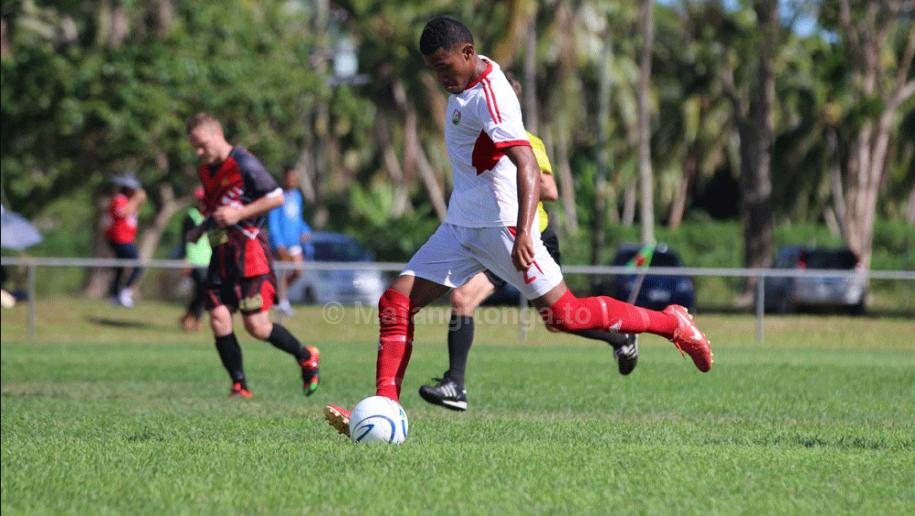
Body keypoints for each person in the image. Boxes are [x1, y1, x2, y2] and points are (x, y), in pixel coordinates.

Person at [324, 17, 712, 436]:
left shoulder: (491, 96)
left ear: (467, 53)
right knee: (395, 303)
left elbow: (527, 164)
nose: (440, 78)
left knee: (566, 315)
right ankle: (385, 409)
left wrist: (526, 231)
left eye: (444, 67)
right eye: (433, 69)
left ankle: (672, 324)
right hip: (460, 228)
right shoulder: (466, 81)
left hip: (502, 229)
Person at [418, 73, 639, 412]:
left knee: (556, 320)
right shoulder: (473, 137)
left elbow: (549, 188)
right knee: (462, 298)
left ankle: (620, 335)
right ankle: (455, 385)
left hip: (531, 239)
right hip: (493, 238)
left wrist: (515, 176)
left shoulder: (525, 139)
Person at [185, 113, 321, 398]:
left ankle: (305, 355)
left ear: (217, 134)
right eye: (194, 147)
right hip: (221, 255)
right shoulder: (206, 171)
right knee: (219, 317)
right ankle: (239, 384)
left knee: (256, 327)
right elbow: (217, 209)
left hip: (250, 256)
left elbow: (276, 197)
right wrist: (202, 228)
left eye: (201, 145)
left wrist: (239, 214)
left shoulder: (244, 162)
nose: (199, 152)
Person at [267, 166, 314, 316]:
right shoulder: (278, 196)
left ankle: (278, 294)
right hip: (281, 244)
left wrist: (305, 230)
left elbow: (297, 219)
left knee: (298, 271)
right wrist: (278, 243)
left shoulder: (297, 196)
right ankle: (282, 302)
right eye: (291, 177)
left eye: (295, 178)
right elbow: (273, 222)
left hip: (294, 242)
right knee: (283, 272)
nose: (293, 180)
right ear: (285, 178)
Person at [106, 176, 146, 308]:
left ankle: (115, 295)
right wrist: (136, 200)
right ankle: (125, 293)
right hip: (120, 239)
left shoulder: (128, 200)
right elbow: (122, 213)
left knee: (120, 267)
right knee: (138, 266)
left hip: (127, 238)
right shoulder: (119, 199)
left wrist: (137, 202)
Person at [179, 187, 212, 332]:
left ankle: (190, 317)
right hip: (194, 259)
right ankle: (195, 319)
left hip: (208, 259)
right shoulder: (191, 216)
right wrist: (185, 258)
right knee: (202, 290)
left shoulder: (211, 216)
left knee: (204, 291)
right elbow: (184, 240)